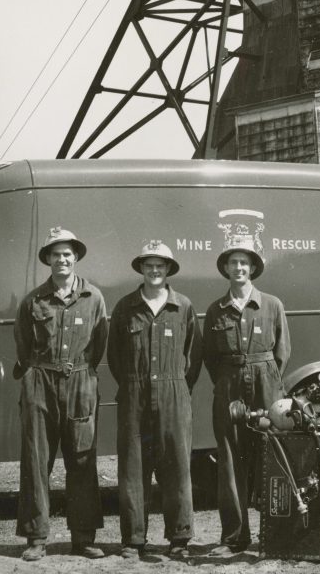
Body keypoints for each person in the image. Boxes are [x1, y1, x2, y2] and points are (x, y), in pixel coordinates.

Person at [13, 226, 108, 561]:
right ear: (48, 260)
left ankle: (83, 537)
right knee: (37, 460)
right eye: (56, 254)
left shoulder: (93, 298)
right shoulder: (34, 301)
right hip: (40, 381)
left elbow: (98, 347)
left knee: (82, 458)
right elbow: (23, 347)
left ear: (76, 257)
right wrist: (42, 372)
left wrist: (77, 371)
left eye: (67, 254)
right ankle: (36, 537)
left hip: (80, 381)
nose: (62, 260)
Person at [107, 240, 202, 560]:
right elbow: (115, 357)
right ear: (141, 269)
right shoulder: (125, 307)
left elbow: (194, 356)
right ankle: (133, 540)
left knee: (176, 465)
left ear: (168, 269)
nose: (154, 270)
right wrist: (135, 384)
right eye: (149, 264)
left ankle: (179, 538)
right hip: (134, 394)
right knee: (133, 468)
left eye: (160, 265)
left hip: (175, 395)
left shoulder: (183, 306)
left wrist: (176, 387)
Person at [203, 216, 290, 555]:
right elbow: (210, 358)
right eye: (232, 262)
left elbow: (282, 353)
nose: (238, 267)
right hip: (229, 385)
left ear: (253, 267)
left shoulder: (271, 304)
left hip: (266, 381)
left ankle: (274, 533)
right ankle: (235, 536)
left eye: (244, 262)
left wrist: (267, 380)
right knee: (230, 458)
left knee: (271, 455)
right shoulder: (215, 310)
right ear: (225, 268)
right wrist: (230, 382)